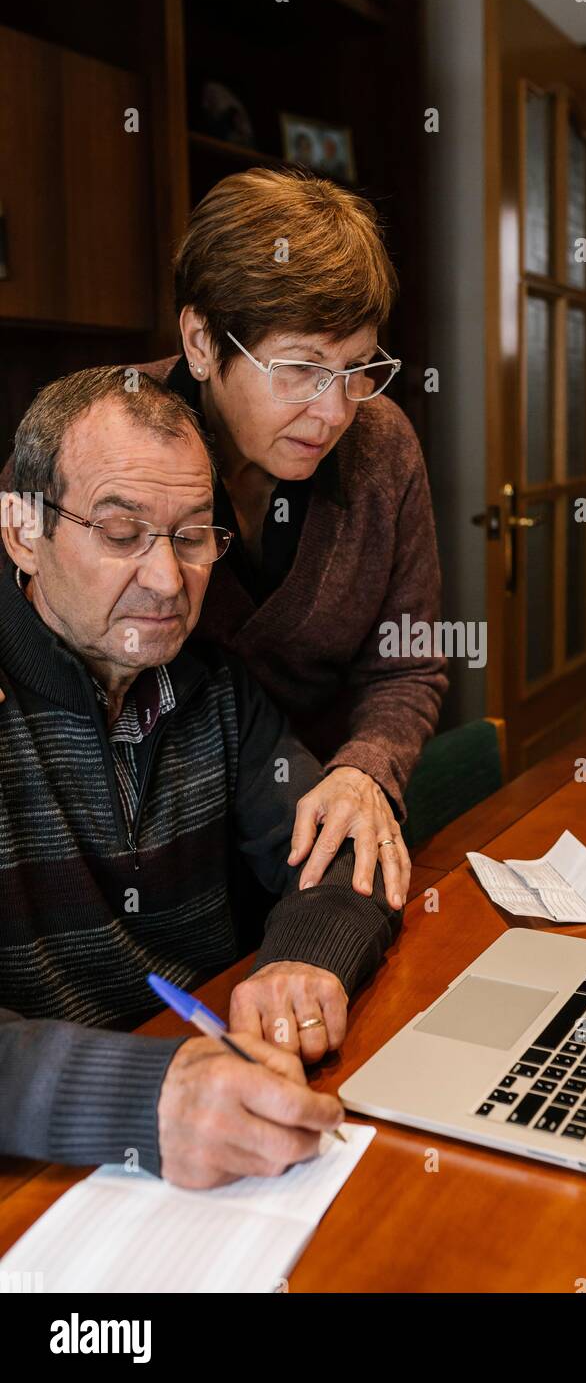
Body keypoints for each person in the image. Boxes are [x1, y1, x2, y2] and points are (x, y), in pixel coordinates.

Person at [0, 367, 400, 1189]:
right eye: (120, 534)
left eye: (191, 537)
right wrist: (144, 1098)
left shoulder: (217, 688)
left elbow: (339, 850)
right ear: (22, 531)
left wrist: (305, 959)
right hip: (46, 1175)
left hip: (231, 1108)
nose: (166, 581)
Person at [138, 166, 448, 914]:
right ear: (203, 341)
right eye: (302, 369)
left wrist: (366, 770)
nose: (335, 411)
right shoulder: (103, 444)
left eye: (355, 370)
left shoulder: (382, 448)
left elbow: (407, 665)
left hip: (319, 828)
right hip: (152, 844)